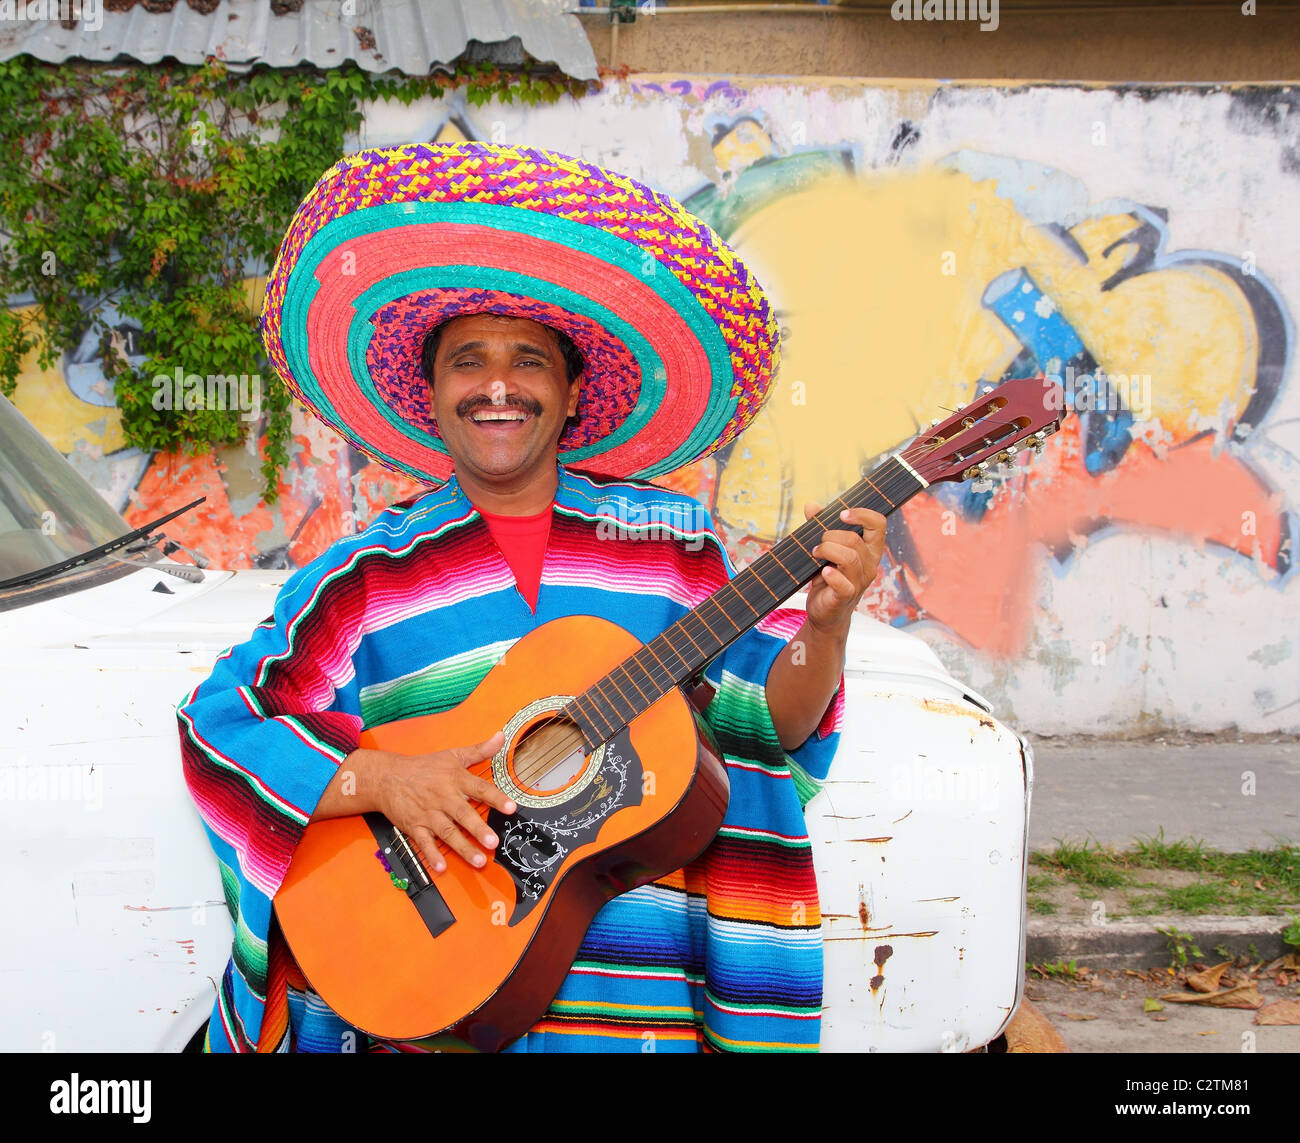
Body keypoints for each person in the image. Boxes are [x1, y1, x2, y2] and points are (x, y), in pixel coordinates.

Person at [178, 141, 885, 1053]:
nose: (499, 385)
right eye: (468, 361)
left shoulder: (669, 545)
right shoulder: (363, 575)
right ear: (430, 395)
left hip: (636, 1016)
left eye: (530, 361)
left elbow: (763, 725)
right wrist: (380, 777)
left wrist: (824, 632)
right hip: (432, 993)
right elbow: (220, 725)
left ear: (571, 391)